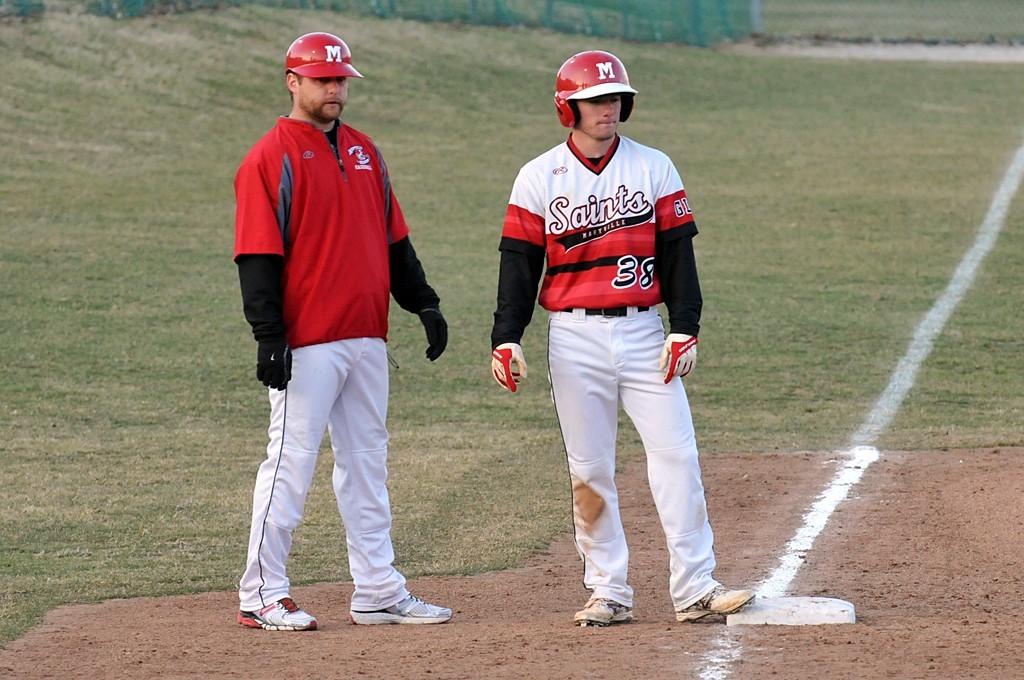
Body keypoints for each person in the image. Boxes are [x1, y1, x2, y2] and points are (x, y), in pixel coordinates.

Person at [489, 50, 754, 627]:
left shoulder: (654, 166)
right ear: (569, 107)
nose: (607, 108)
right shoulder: (538, 176)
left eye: (614, 99)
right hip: (573, 337)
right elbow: (519, 265)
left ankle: (696, 588)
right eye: (594, 100)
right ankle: (608, 590)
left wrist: (686, 325)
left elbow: (680, 254)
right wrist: (506, 337)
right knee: (589, 470)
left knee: (677, 456)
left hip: (642, 333)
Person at [233, 32, 452, 631]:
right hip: (306, 342)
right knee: (289, 465)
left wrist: (423, 304)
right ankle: (261, 592)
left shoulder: (365, 151)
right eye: (322, 79)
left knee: (366, 465)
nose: (334, 89)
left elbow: (393, 241)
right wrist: (268, 334)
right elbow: (257, 254)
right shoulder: (269, 156)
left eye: (340, 80)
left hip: (366, 336)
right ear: (293, 82)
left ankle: (378, 590)